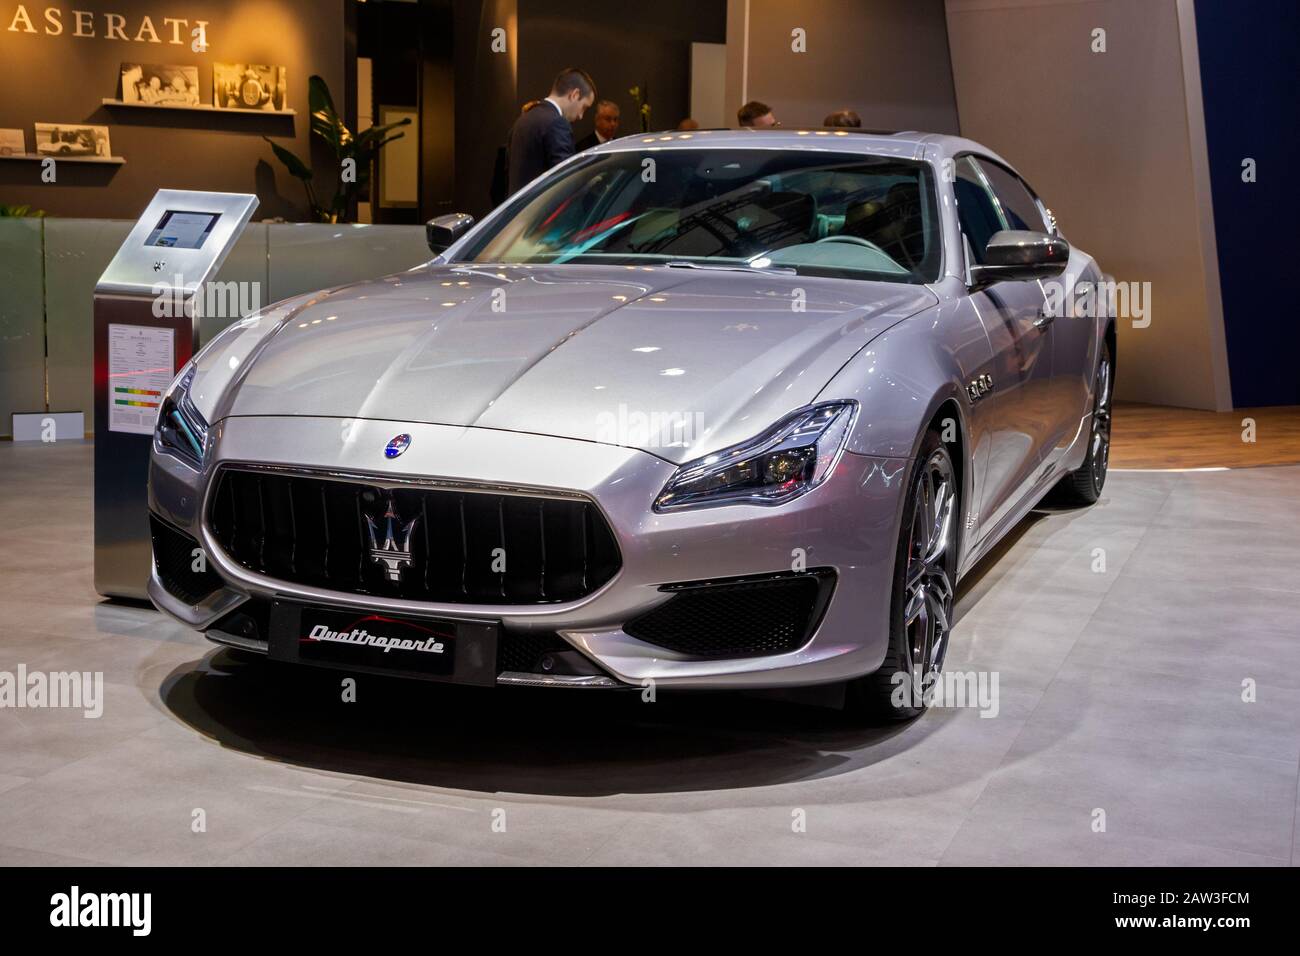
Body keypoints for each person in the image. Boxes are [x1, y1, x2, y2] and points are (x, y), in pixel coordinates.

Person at [506, 67, 596, 195]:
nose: (581, 116)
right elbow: (566, 179)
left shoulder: (523, 119)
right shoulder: (557, 123)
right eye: (584, 107)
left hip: (519, 210)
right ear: (575, 95)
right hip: (542, 211)